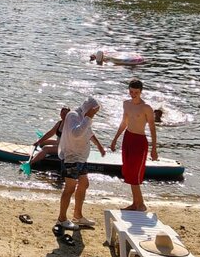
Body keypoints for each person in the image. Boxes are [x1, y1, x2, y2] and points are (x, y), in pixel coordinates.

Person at [56, 97, 105, 231]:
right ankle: (61, 219)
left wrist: (99, 146)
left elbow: (88, 132)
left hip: (81, 158)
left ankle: (77, 215)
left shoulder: (84, 117)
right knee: (70, 188)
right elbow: (76, 133)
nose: (95, 114)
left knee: (84, 184)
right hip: (72, 158)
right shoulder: (73, 115)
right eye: (94, 111)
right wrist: (88, 117)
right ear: (88, 108)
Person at [110, 80, 158, 212]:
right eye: (131, 92)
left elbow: (152, 128)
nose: (133, 94)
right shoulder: (126, 104)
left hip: (139, 140)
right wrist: (115, 139)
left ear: (141, 92)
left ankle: (141, 204)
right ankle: (135, 203)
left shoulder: (146, 108)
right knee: (128, 171)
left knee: (136, 172)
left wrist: (154, 149)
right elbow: (124, 122)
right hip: (128, 138)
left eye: (136, 92)